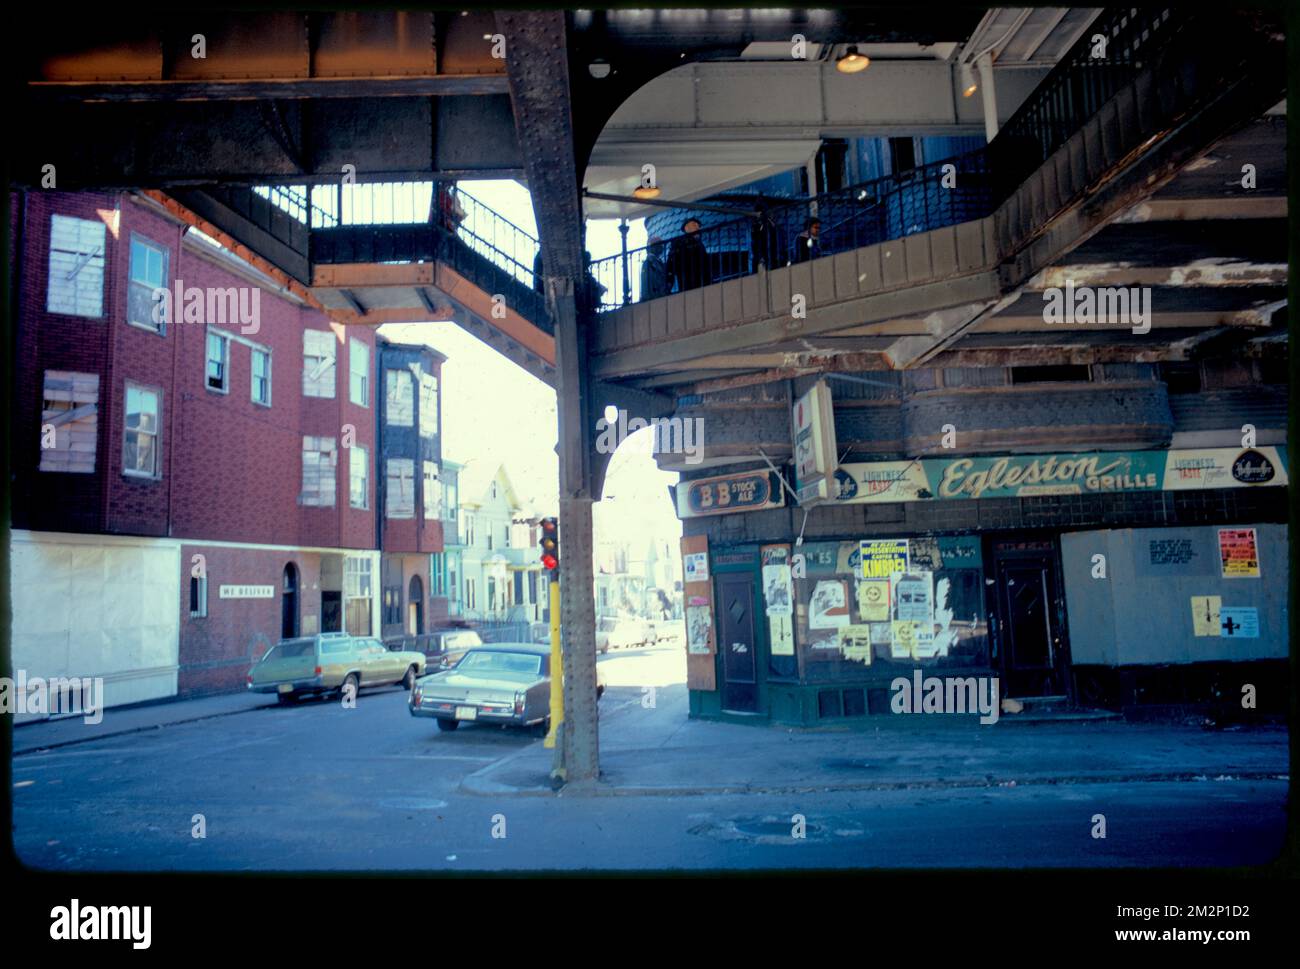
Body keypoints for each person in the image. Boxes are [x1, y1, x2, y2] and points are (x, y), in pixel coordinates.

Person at [666, 218, 712, 292]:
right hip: (689, 285)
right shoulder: (679, 243)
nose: (698, 228)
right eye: (694, 225)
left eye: (698, 226)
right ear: (687, 228)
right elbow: (671, 264)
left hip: (700, 283)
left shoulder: (700, 244)